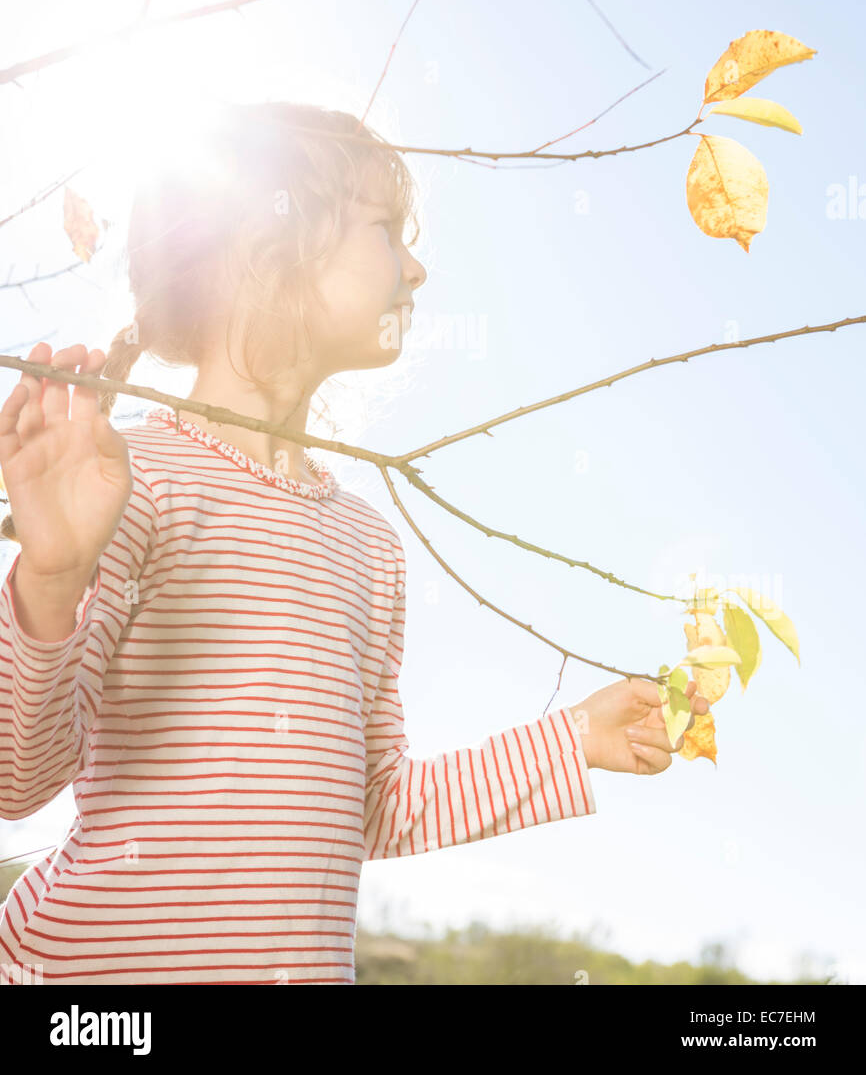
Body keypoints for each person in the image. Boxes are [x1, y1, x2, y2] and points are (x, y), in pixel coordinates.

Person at [0, 101, 707, 985]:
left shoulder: (370, 548)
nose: (416, 266)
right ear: (269, 245)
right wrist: (52, 578)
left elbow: (373, 805)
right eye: (385, 230)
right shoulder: (128, 479)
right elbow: (16, 780)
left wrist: (570, 742)